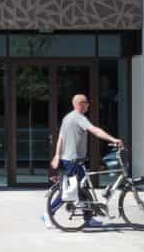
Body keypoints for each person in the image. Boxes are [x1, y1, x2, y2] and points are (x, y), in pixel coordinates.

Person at [49, 94, 123, 224]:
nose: (88, 105)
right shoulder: (79, 118)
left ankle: (88, 218)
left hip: (70, 160)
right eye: (87, 103)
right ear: (80, 104)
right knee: (71, 190)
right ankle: (48, 213)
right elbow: (95, 131)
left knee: (82, 190)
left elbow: (60, 138)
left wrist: (57, 155)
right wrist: (113, 139)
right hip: (73, 161)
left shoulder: (67, 118)